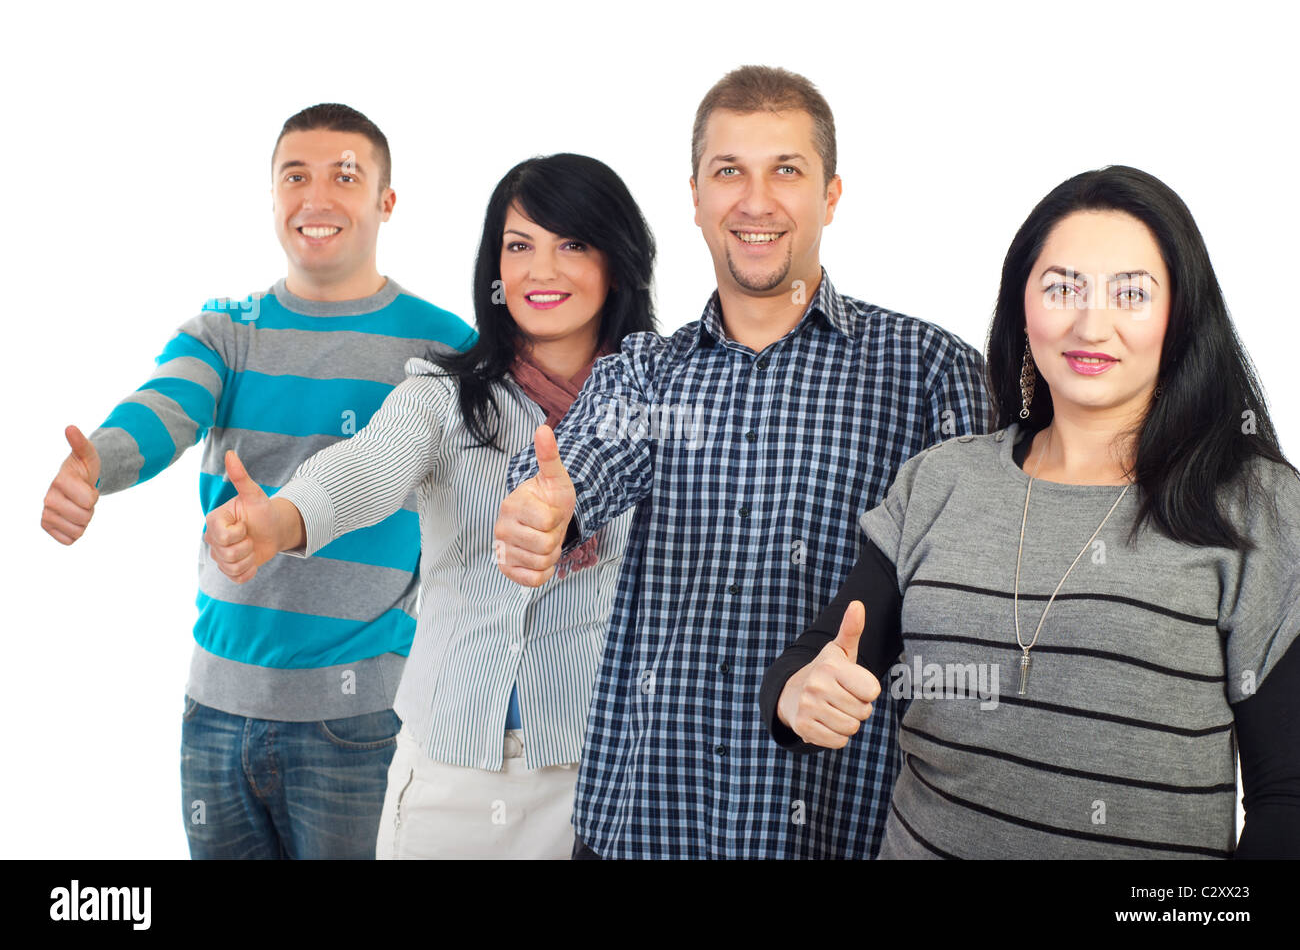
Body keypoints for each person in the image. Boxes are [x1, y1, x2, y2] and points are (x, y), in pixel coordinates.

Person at [494, 66, 991, 859]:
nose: (756, 202)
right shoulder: (646, 370)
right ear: (695, 197)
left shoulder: (930, 370)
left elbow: (977, 594)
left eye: (785, 170)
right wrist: (543, 507)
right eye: (730, 172)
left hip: (831, 828)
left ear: (831, 195)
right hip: (644, 826)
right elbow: (579, 466)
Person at [762, 164, 1300, 859]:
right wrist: (797, 695)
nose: (1091, 324)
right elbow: (817, 659)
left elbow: (1287, 796)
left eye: (1131, 292)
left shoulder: (1256, 506)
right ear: (1023, 306)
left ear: (1180, 314)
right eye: (1061, 288)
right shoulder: (939, 480)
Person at [39, 103, 475, 859]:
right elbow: (165, 406)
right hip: (214, 711)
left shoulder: (444, 345)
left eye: (345, 177)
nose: (316, 197)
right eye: (295, 176)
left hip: (358, 721)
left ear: (387, 201)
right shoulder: (225, 328)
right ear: (272, 196)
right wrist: (96, 464)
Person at [203, 153, 657, 858]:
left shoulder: (662, 407)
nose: (541, 271)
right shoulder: (443, 397)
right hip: (451, 775)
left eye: (572, 244)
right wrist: (283, 519)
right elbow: (366, 466)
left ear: (616, 263)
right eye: (518, 246)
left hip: (605, 773)